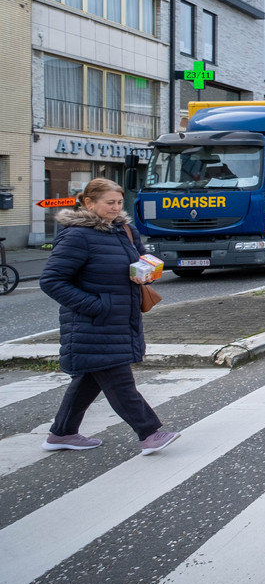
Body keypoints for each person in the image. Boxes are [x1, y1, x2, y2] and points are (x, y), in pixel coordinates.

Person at [39, 178, 179, 456]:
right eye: (109, 203)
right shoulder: (77, 235)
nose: (115, 208)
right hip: (92, 322)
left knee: (90, 378)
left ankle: (62, 433)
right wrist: (95, 306)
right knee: (119, 380)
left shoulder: (124, 230)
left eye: (118, 203)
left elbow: (137, 262)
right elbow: (52, 280)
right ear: (88, 203)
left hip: (119, 319)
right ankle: (149, 433)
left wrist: (146, 271)